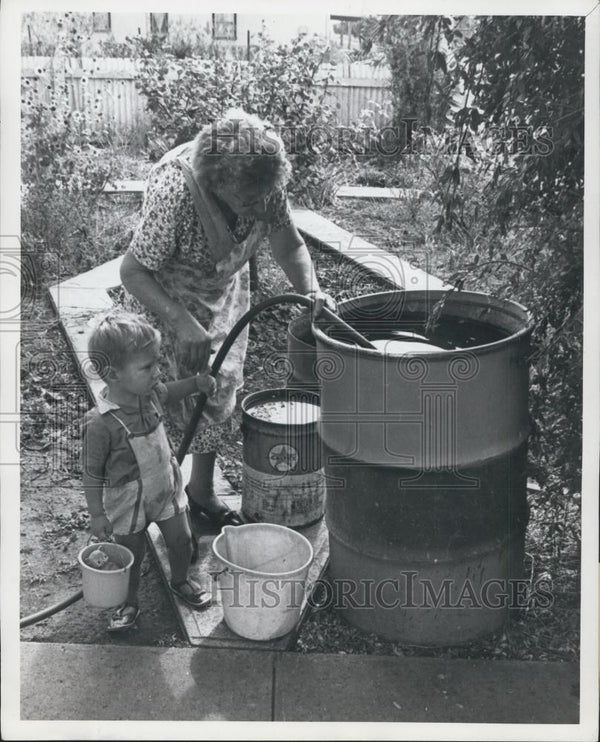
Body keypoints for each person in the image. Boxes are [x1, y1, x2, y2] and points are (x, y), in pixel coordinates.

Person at [120, 109, 336, 531]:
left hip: (221, 290)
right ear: (217, 185)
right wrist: (181, 323)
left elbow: (289, 245)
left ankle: (200, 490)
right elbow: (133, 271)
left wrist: (310, 288)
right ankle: (154, 499)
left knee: (215, 390)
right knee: (161, 397)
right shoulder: (175, 195)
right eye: (248, 202)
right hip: (164, 298)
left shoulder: (262, 183)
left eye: (264, 197)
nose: (260, 207)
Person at [82, 311, 218, 632]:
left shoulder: (151, 395)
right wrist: (97, 515)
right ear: (113, 375)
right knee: (131, 555)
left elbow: (172, 390)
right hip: (128, 501)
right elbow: (91, 474)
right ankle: (128, 601)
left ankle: (181, 580)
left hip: (165, 488)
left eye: (157, 362)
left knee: (182, 539)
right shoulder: (101, 424)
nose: (158, 371)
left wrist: (197, 384)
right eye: (148, 367)